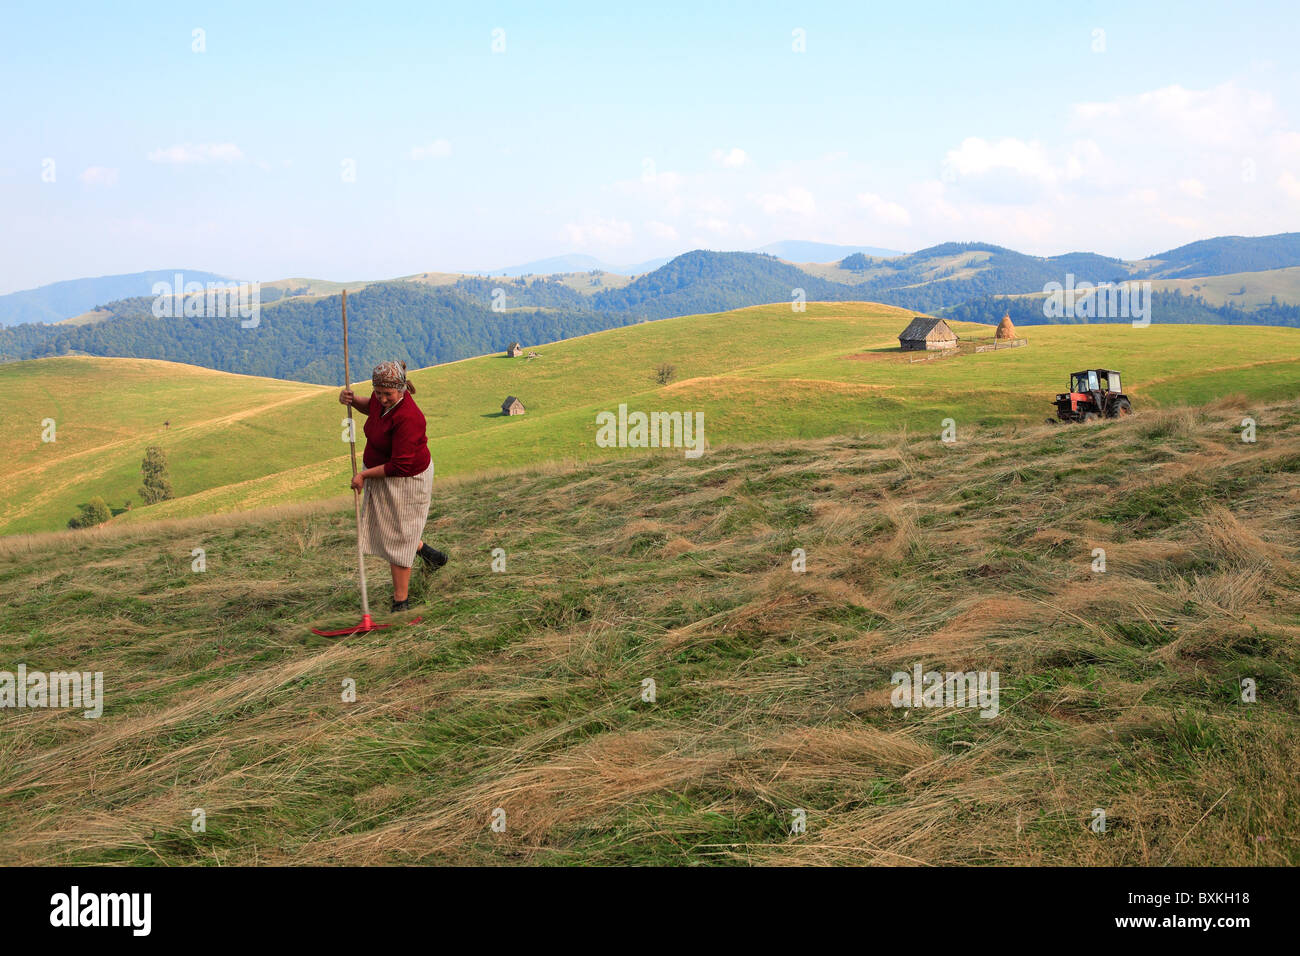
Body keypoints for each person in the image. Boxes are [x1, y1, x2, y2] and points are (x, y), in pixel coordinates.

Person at [338, 360, 447, 612]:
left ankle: (401, 603)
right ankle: (431, 556)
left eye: (388, 393)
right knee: (394, 527)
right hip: (383, 475)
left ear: (402, 389)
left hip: (406, 480)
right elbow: (373, 407)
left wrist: (364, 477)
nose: (382, 398)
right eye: (378, 392)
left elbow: (399, 466)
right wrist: (352, 400)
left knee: (399, 536)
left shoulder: (410, 418)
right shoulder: (381, 398)